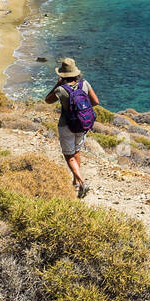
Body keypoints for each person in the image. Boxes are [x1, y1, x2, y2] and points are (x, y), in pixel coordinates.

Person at [45, 57, 100, 198]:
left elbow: (47, 100)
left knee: (69, 156)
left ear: (62, 74)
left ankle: (81, 182)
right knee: (77, 152)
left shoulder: (61, 90)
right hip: (82, 124)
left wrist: (56, 85)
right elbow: (95, 102)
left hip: (66, 125)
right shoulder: (84, 84)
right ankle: (75, 181)